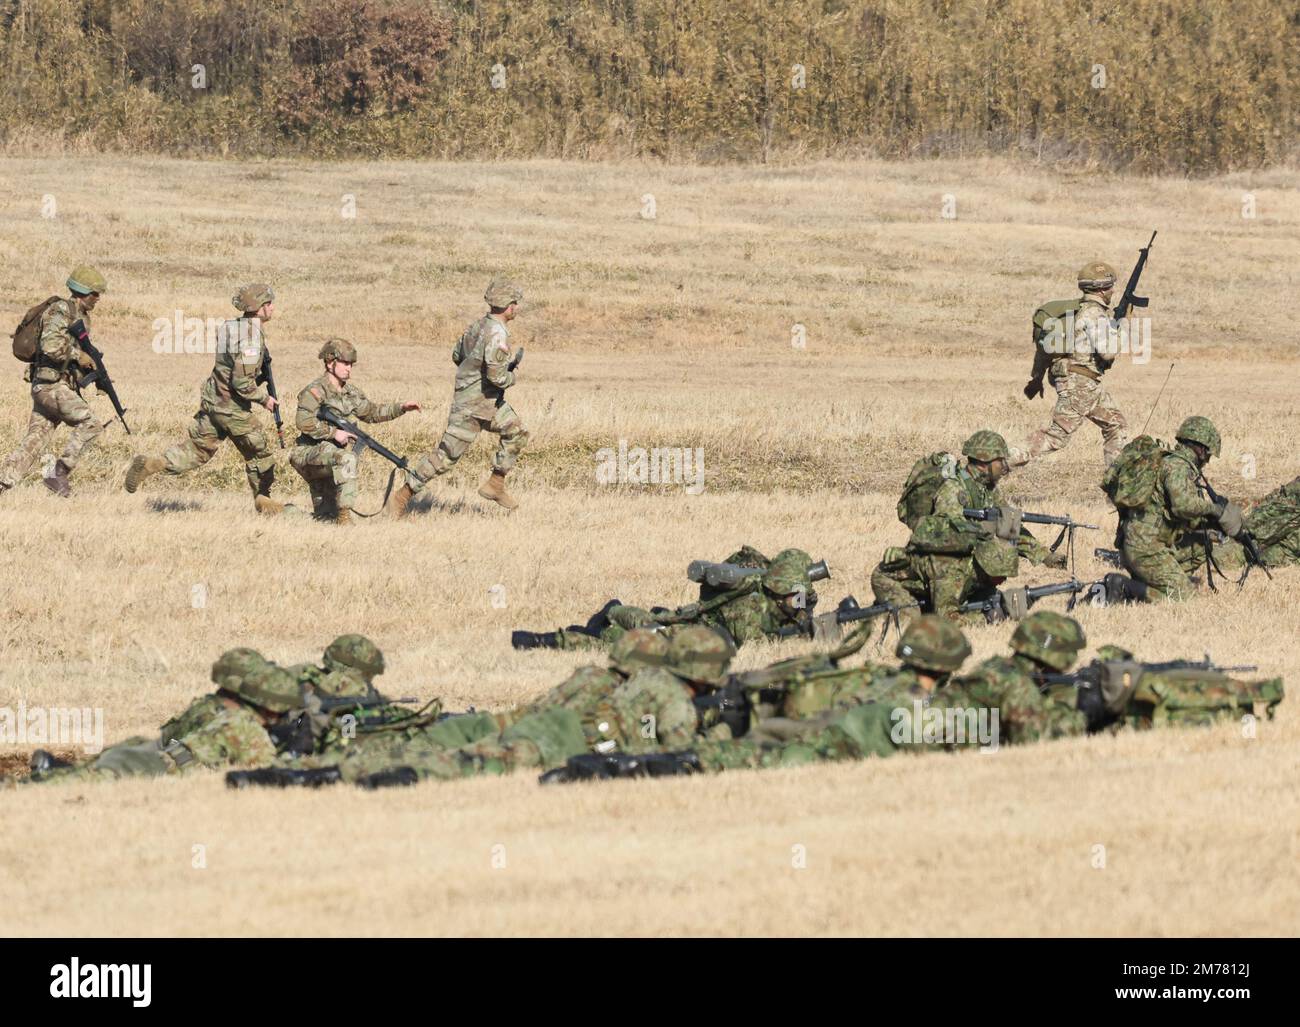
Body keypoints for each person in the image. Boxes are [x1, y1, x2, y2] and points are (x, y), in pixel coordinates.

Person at [125, 283, 285, 513]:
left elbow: (230, 368)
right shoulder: (251, 339)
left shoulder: (232, 327)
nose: (272, 307)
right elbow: (241, 383)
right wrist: (265, 399)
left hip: (213, 402)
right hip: (232, 409)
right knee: (260, 455)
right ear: (258, 307)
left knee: (197, 451)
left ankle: (153, 464)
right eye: (268, 303)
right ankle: (263, 500)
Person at [387, 277, 528, 516]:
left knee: (517, 431)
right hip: (473, 406)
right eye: (515, 302)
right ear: (509, 305)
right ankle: (400, 498)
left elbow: (456, 354)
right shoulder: (497, 334)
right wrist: (511, 377)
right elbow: (497, 377)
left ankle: (495, 484)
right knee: (445, 457)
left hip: (487, 403)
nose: (516, 307)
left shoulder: (477, 326)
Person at [512, 547, 821, 650]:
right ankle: (540, 640)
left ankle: (609, 616)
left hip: (691, 630)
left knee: (634, 629)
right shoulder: (750, 605)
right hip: (683, 634)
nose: (800, 599)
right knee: (616, 640)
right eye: (796, 594)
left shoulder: (775, 598)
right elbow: (754, 644)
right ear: (783, 589)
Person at [1109, 416, 1246, 601]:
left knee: (1200, 544)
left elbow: (1180, 516)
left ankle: (1159, 580)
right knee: (1184, 597)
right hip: (1145, 548)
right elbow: (1183, 506)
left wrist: (1216, 525)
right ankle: (1124, 586)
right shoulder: (1177, 467)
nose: (1207, 461)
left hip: (1142, 543)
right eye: (1208, 454)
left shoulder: (1173, 463)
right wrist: (1215, 510)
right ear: (1200, 448)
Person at [0, 266, 109, 497]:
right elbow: (50, 347)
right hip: (50, 386)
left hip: (50, 386)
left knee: (35, 440)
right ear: (82, 291)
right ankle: (59, 472)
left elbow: (69, 356)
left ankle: (3, 483)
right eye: (95, 293)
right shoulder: (60, 310)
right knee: (91, 424)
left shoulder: (80, 316)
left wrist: (96, 377)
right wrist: (79, 355)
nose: (98, 298)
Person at [288, 339, 419, 523]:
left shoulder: (351, 393)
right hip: (307, 455)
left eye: (351, 364)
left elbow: (373, 413)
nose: (348, 368)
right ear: (329, 362)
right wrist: (334, 434)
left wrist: (402, 407)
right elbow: (303, 422)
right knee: (347, 459)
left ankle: (276, 511)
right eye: (344, 363)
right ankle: (345, 519)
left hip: (331, 457)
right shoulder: (315, 391)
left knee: (324, 518)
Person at [1020, 260, 1129, 466]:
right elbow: (1108, 352)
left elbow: (1046, 351)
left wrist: (1037, 377)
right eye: (1110, 286)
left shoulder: (1080, 311)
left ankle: (1116, 483)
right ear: (1102, 289)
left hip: (1087, 384)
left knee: (1117, 426)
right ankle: (994, 462)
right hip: (1079, 384)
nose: (1113, 290)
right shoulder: (1093, 313)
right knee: (1055, 437)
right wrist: (1124, 325)